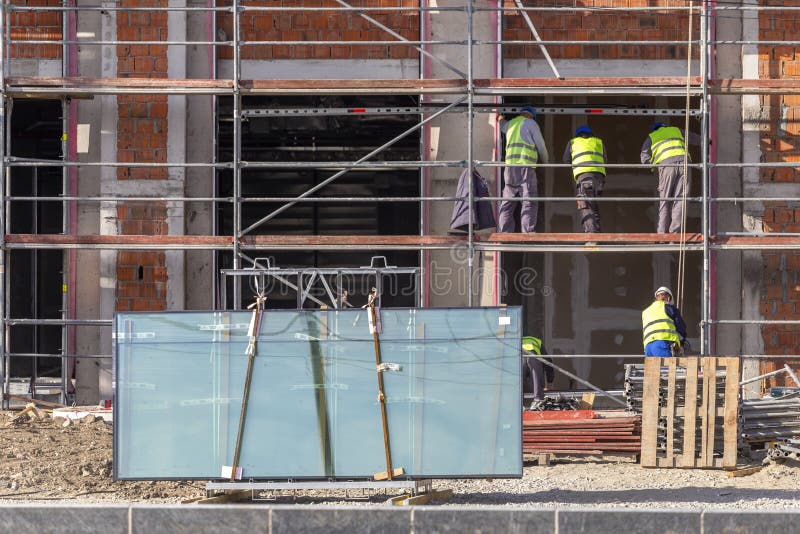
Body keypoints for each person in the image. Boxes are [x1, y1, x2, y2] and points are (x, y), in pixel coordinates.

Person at [496, 106, 549, 233]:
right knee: (529, 201)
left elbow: (502, 124)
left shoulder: (511, 124)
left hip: (509, 169)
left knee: (507, 203)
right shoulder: (531, 123)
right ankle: (528, 232)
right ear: (531, 116)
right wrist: (546, 162)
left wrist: (500, 118)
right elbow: (541, 145)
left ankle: (505, 233)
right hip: (525, 168)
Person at [640, 122, 691, 234]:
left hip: (667, 166)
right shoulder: (676, 130)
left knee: (665, 201)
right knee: (680, 200)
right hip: (685, 164)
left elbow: (644, 158)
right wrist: (709, 141)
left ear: (655, 129)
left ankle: (662, 235)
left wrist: (653, 165)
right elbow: (695, 138)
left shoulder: (652, 136)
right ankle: (675, 233)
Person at [563, 125, 606, 233]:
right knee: (593, 205)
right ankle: (597, 233)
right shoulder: (598, 142)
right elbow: (605, 159)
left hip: (584, 176)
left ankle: (591, 234)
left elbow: (566, 160)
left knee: (585, 205)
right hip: (599, 178)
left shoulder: (573, 142)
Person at [642, 286, 688, 357]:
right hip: (662, 344)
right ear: (668, 298)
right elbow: (681, 327)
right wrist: (681, 342)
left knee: (653, 368)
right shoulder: (669, 308)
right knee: (666, 367)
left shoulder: (645, 311)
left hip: (648, 348)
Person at [522, 335, 554, 400]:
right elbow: (548, 362)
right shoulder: (537, 341)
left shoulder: (515, 340)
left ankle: (518, 404)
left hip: (520, 359)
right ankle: (538, 400)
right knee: (536, 380)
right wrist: (549, 382)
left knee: (517, 383)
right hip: (533, 358)